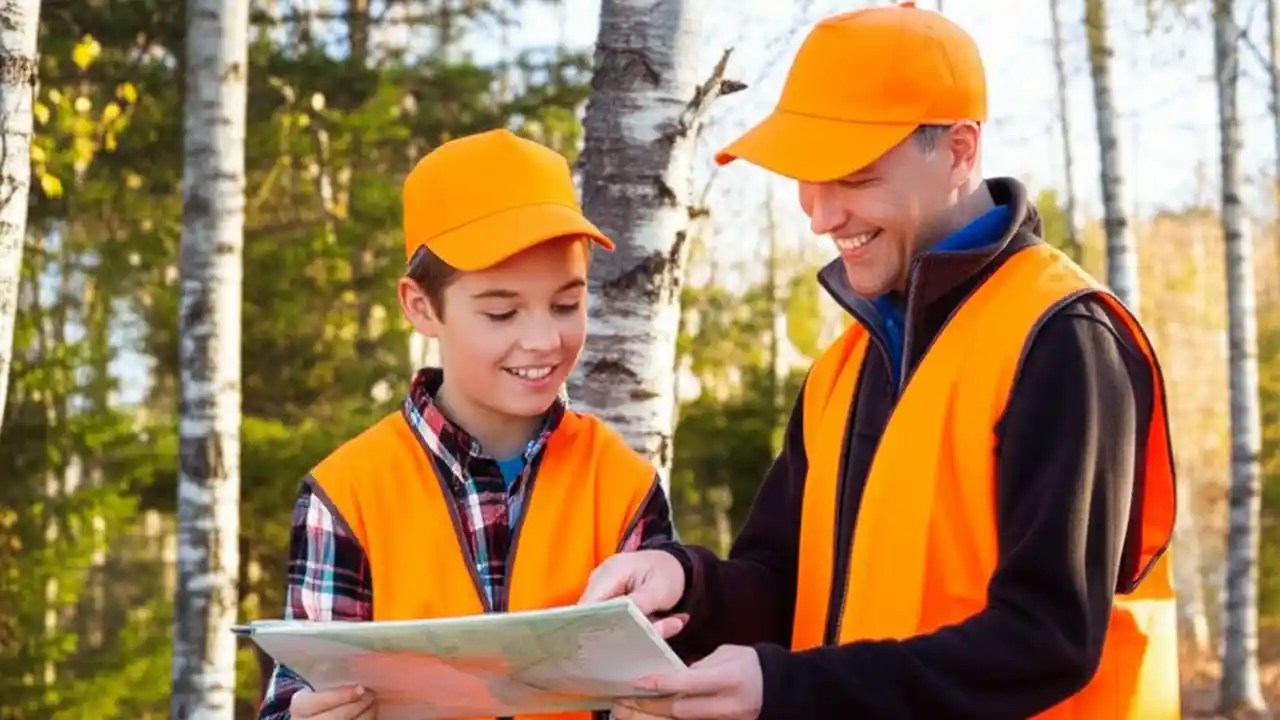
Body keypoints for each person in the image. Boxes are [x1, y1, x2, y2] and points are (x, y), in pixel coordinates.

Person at [579, 4, 1180, 719]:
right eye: (808, 178)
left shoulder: (1065, 339)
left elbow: (1045, 639)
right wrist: (686, 583)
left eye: (855, 179)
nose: (821, 215)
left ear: (958, 151)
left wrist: (793, 690)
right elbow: (782, 584)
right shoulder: (845, 366)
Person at [258, 128, 678, 720]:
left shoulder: (622, 486)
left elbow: (669, 676)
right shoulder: (348, 495)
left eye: (566, 304)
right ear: (421, 306)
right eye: (501, 312)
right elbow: (290, 698)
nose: (543, 340)